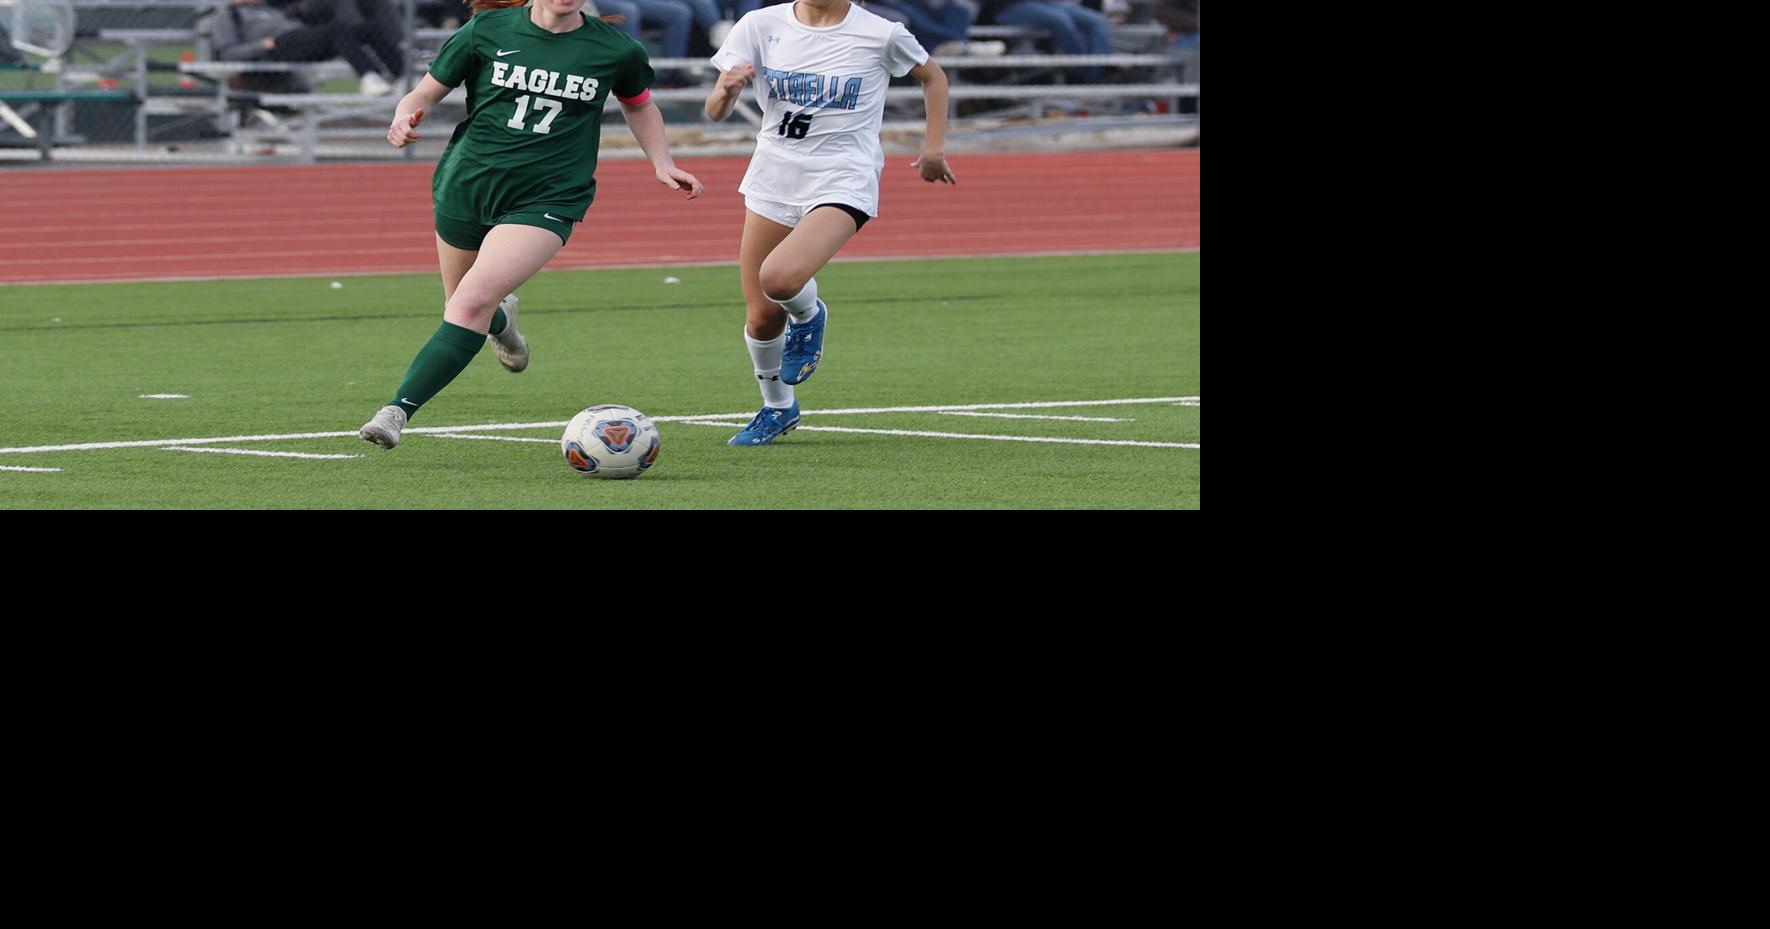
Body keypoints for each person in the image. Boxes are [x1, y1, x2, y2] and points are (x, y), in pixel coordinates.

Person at [358, 0, 704, 449]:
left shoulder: (616, 49)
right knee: (463, 305)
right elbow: (425, 92)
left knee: (469, 304)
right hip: (468, 184)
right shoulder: (487, 30)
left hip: (550, 195)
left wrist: (662, 162)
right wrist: (404, 115)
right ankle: (503, 323)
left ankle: (395, 412)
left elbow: (639, 106)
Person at [704, 0, 954, 446]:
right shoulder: (759, 25)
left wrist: (933, 148)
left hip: (844, 175)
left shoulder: (881, 33)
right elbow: (714, 111)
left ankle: (810, 313)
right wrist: (727, 89)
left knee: (779, 279)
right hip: (773, 175)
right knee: (761, 319)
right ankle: (778, 408)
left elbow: (933, 76)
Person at [210, 0, 399, 95]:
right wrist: (262, 45)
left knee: (365, 29)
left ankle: (400, 74)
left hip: (303, 40)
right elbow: (228, 52)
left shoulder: (269, 8)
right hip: (278, 47)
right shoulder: (228, 16)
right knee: (337, 29)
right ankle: (369, 77)